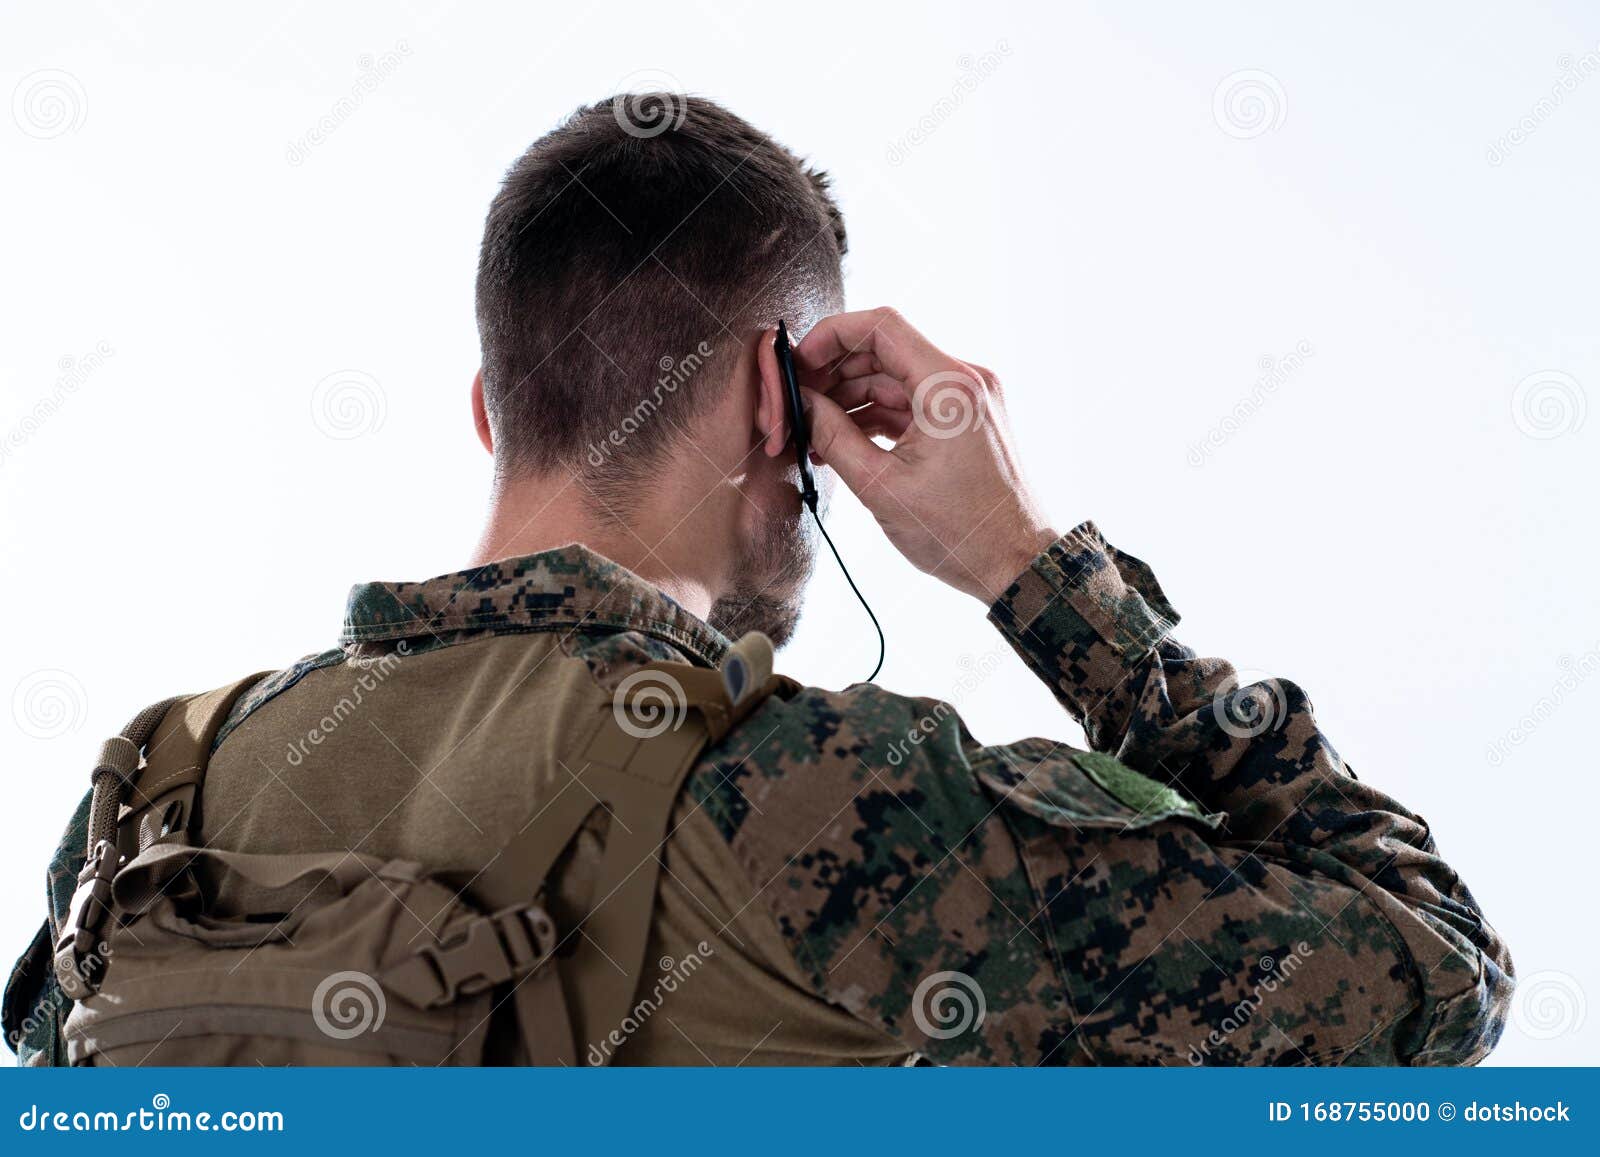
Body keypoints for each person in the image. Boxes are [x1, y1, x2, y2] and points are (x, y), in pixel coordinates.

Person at [6, 94, 1510, 1066]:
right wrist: (1024, 561)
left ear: (489, 406)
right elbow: (1432, 967)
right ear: (774, 410)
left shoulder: (156, 790)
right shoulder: (832, 800)